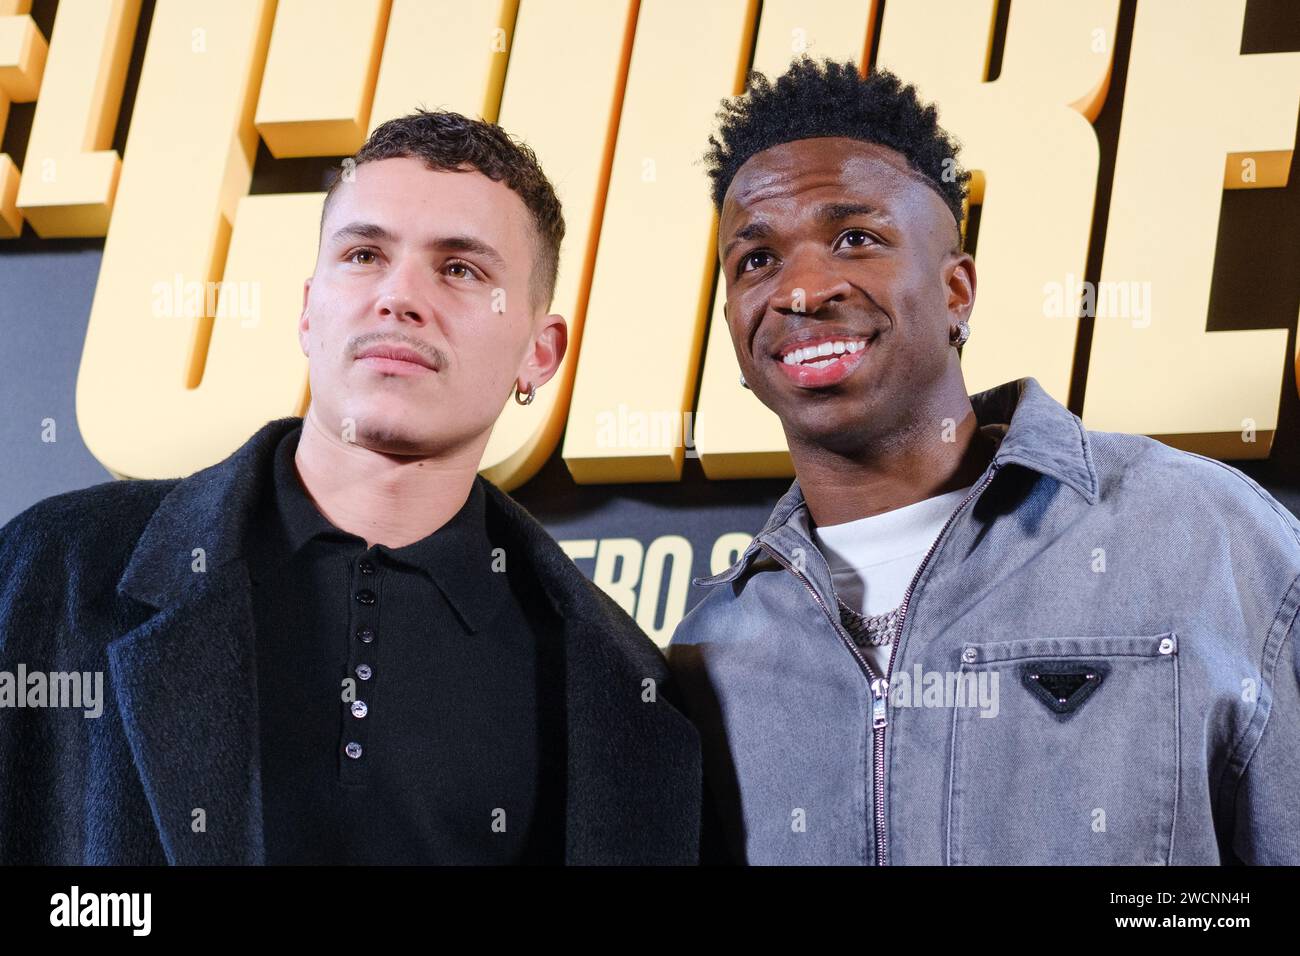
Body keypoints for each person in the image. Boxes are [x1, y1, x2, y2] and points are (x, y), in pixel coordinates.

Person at [0, 109, 701, 865]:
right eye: (365, 254)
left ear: (540, 351)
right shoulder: (56, 570)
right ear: (309, 309)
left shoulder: (619, 691)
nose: (399, 298)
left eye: (460, 269)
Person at [667, 57, 1300, 865]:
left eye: (855, 238)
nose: (803, 288)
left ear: (958, 290)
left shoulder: (1200, 535)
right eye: (757, 260)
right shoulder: (712, 649)